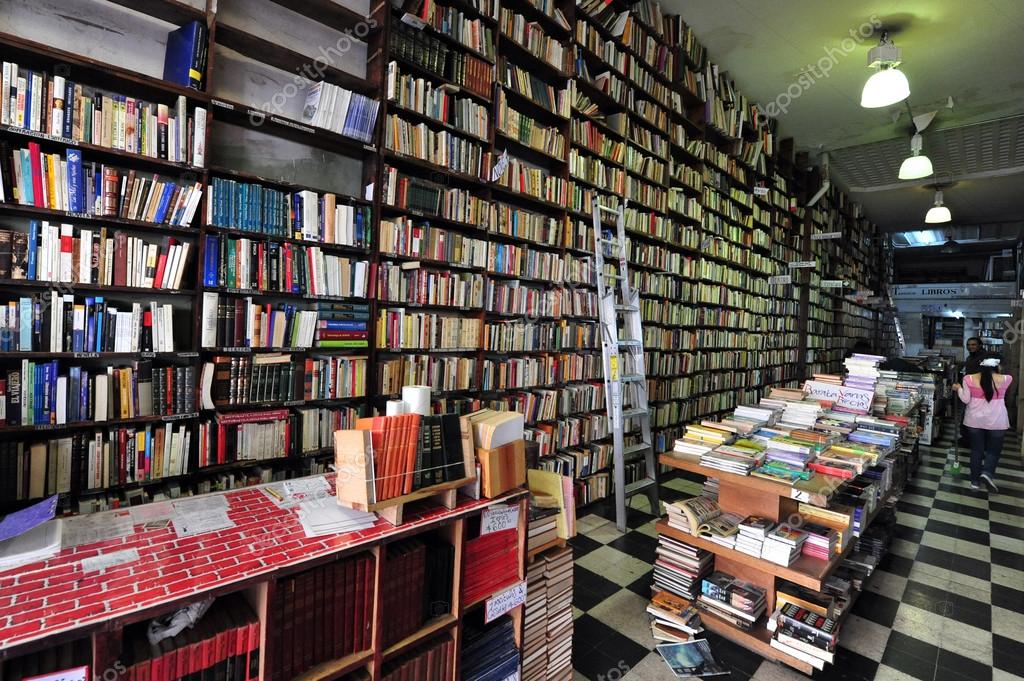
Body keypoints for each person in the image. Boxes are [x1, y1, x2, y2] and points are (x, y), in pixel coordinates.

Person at [953, 357, 1012, 492]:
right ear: (998, 366)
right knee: (993, 451)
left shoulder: (968, 378)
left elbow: (966, 399)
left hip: (974, 420)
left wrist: (959, 389)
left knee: (976, 451)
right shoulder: (1007, 379)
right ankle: (987, 473)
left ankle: (974, 482)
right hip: (997, 421)